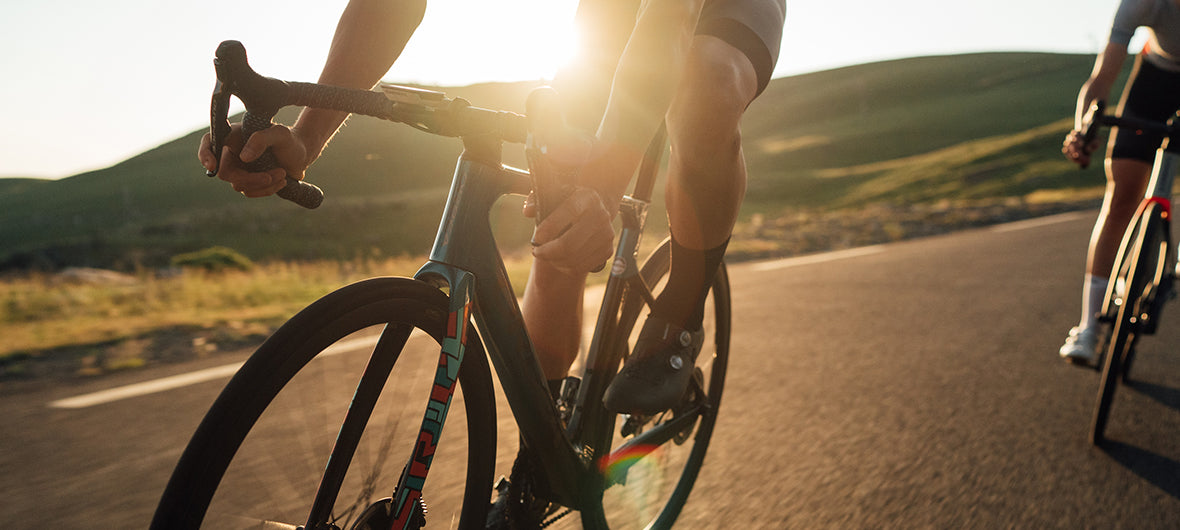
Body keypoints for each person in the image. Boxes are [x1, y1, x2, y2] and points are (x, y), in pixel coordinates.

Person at [199, 0, 784, 410]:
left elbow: (670, 20)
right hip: (610, 15)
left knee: (707, 80)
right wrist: (306, 138)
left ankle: (680, 315)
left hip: (716, 8)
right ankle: (542, 456)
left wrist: (600, 190)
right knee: (558, 209)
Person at [1059, 0, 1180, 363]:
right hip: (1154, 83)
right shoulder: (1141, 3)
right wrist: (1083, 131)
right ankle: (1088, 328)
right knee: (1122, 194)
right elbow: (1101, 79)